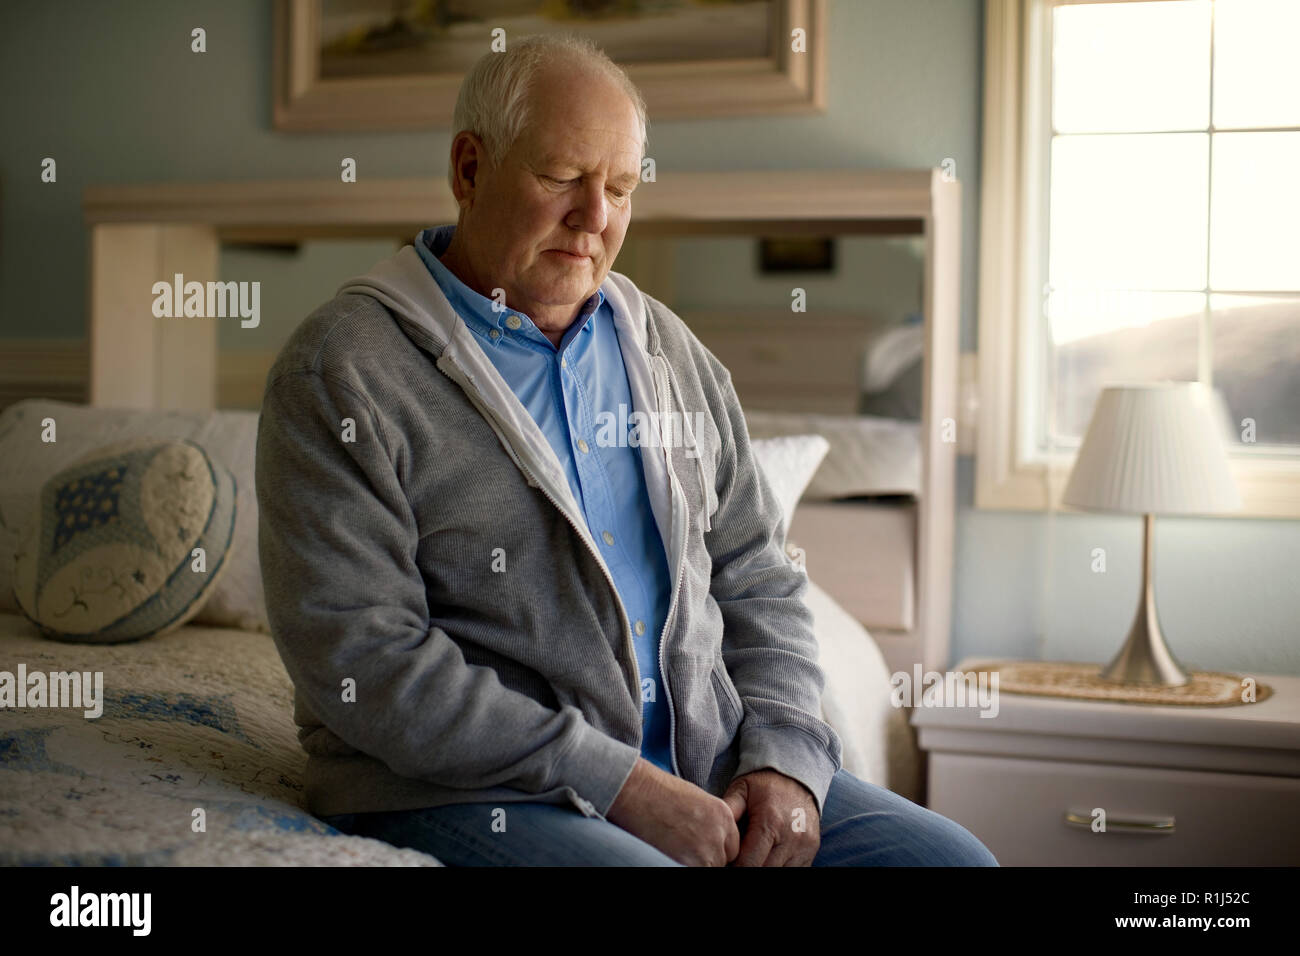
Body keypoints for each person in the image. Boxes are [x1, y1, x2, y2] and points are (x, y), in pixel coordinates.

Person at [255, 32, 997, 868]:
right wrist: (622, 785)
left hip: (703, 759)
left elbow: (756, 574)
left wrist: (785, 758)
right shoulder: (343, 370)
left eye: (619, 188)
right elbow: (368, 660)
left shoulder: (670, 355)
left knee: (953, 862)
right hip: (471, 787)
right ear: (469, 169)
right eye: (563, 178)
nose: (596, 218)